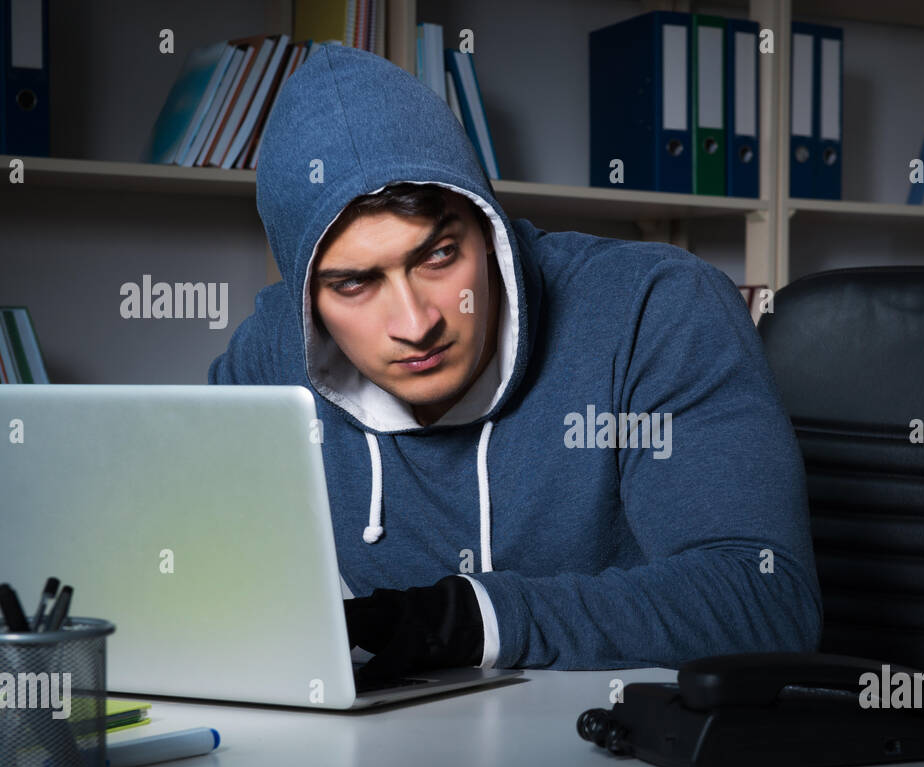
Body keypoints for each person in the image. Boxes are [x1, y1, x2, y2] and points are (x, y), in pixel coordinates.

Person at [208, 44, 821, 678]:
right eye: (355, 284)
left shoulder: (656, 308)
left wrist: (475, 619)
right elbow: (178, 565)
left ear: (489, 225)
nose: (416, 324)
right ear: (305, 298)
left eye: (440, 256)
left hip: (616, 753)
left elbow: (767, 599)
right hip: (378, 756)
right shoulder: (274, 352)